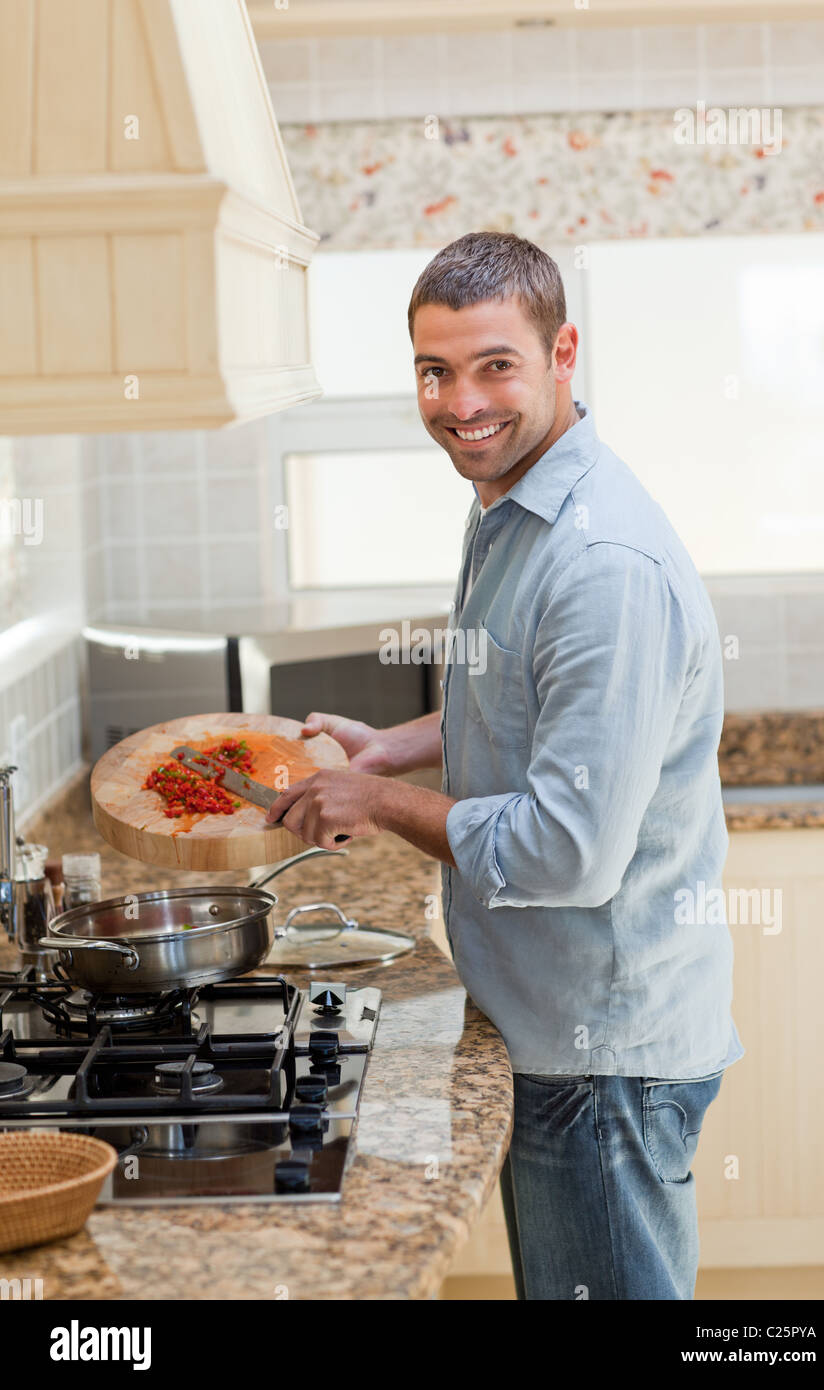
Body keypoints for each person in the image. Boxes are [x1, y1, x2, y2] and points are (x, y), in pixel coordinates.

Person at [266, 230, 744, 1301]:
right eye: (433, 371)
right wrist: (398, 743)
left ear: (561, 351)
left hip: (600, 1053)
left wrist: (380, 799)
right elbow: (522, 694)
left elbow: (567, 852)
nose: (458, 401)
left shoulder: (597, 564)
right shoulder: (510, 506)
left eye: (493, 365)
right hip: (553, 1028)